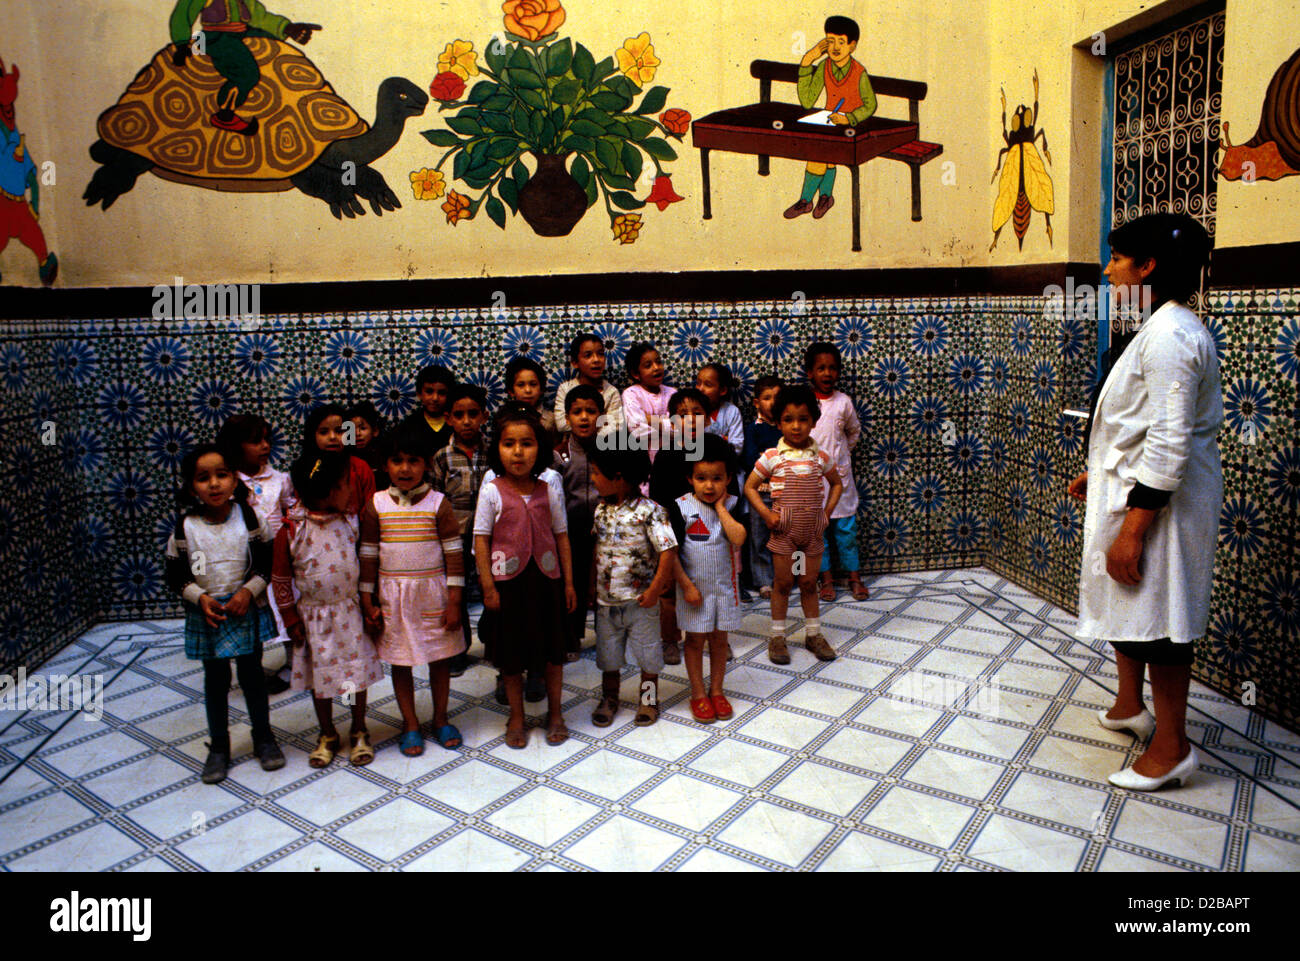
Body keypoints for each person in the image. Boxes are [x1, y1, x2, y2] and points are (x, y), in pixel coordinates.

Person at [1068, 212, 1221, 792]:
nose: (1108, 270)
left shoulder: (1173, 337)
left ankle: (1172, 747)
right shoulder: (1160, 328)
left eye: (1117, 259)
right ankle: (1130, 704)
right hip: (1138, 490)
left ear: (1148, 267)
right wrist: (1099, 476)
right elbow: (1138, 424)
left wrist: (1134, 526)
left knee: (1162, 620)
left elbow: (1170, 440)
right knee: (1133, 602)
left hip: (1166, 506)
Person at [164, 444, 284, 784]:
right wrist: (199, 598)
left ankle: (264, 737)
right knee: (215, 681)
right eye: (204, 478)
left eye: (222, 475)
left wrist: (249, 592)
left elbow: (265, 564)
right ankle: (219, 747)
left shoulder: (250, 519)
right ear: (191, 487)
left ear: (235, 480)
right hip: (208, 611)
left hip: (245, 606)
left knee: (251, 677)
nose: (214, 484)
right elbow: (175, 576)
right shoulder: (184, 529)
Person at [474, 406, 577, 749]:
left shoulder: (550, 488)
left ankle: (556, 713)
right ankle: (516, 716)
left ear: (541, 449)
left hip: (546, 582)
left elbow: (561, 534)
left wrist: (568, 583)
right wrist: (488, 586)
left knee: (552, 652)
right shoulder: (491, 490)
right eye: (509, 444)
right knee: (511, 655)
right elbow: (481, 538)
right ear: (497, 449)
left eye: (527, 444)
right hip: (508, 586)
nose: (518, 452)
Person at [359, 422, 465, 756]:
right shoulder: (375, 504)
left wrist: (454, 601)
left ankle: (441, 717)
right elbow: (368, 555)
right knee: (401, 662)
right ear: (385, 465)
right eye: (397, 461)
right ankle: (410, 723)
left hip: (433, 595)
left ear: (426, 465)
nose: (405, 469)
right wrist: (367, 600)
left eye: (414, 461)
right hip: (393, 598)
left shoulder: (438, 503)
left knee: (440, 659)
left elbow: (454, 554)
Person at [273, 451, 383, 767]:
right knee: (319, 677)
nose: (352, 490)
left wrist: (369, 603)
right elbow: (280, 579)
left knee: (355, 673)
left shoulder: (351, 522)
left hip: (350, 613)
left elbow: (366, 563)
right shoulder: (292, 529)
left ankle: (359, 729)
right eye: (347, 484)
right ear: (331, 490)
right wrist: (290, 617)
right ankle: (327, 733)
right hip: (313, 617)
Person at [745, 385, 842, 664]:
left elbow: (836, 484)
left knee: (809, 582)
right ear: (778, 422)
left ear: (813, 421)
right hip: (784, 534)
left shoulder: (819, 458)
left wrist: (826, 513)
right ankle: (777, 637)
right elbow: (750, 488)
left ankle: (813, 634)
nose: (796, 426)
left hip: (810, 534)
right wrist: (766, 515)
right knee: (784, 583)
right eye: (788, 420)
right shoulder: (772, 457)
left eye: (802, 419)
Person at [588, 444, 677, 727]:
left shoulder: (652, 511)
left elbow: (667, 551)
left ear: (618, 477)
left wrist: (655, 591)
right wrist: (593, 584)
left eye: (596, 473)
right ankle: (609, 699)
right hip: (606, 602)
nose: (592, 478)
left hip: (641, 602)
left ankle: (649, 700)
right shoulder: (600, 510)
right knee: (608, 656)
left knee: (649, 656)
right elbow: (596, 548)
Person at [218, 413, 298, 692]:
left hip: (278, 559)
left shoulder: (280, 479)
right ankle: (247, 666)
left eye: (266, 440)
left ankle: (293, 665)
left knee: (286, 609)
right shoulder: (227, 483)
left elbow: (291, 509)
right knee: (249, 613)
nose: (264, 446)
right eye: (255, 441)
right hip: (245, 562)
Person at [671, 435, 746, 723]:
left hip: (724, 590)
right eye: (701, 478)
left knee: (719, 640)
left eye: (717, 478)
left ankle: (717, 690)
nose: (710, 485)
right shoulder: (681, 507)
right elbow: (672, 553)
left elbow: (738, 538)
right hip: (693, 591)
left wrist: (722, 509)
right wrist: (686, 586)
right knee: (694, 641)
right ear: (690, 478)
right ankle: (698, 693)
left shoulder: (732, 505)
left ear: (728, 478)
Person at [168, 1, 318, 135]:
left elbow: (259, 16)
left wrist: (287, 28)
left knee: (271, 42)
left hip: (242, 32)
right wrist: (181, 43)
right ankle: (224, 115)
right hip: (214, 37)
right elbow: (182, 15)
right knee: (245, 73)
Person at [785, 15, 876, 219]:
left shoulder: (859, 72)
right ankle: (825, 197)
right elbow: (807, 101)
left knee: (818, 155)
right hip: (829, 122)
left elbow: (871, 105)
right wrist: (808, 61)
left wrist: (849, 117)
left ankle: (806, 201)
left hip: (853, 125)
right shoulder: (825, 66)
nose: (835, 47)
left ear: (852, 46)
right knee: (824, 156)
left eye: (841, 42)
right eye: (830, 41)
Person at [429, 382, 490, 678]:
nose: (467, 421)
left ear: (484, 416)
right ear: (449, 418)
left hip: (490, 536)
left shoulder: (494, 450)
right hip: (456, 535)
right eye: (459, 415)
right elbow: (436, 499)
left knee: (492, 586)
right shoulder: (442, 456)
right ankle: (459, 649)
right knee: (458, 591)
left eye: (473, 414)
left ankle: (494, 643)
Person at [647, 388, 710, 666]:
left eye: (698, 413)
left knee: (705, 588)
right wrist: (663, 536)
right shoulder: (665, 456)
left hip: (707, 533)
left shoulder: (715, 450)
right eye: (684, 415)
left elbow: (727, 490)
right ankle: (670, 639)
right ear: (672, 422)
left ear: (708, 419)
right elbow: (657, 501)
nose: (692, 420)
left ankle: (707, 636)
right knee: (669, 591)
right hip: (673, 530)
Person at [805, 342, 869, 601]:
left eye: (832, 368)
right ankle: (826, 579)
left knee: (846, 531)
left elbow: (853, 432)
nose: (827, 373)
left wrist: (842, 455)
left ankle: (854, 577)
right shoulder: (806, 402)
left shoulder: (844, 402)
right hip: (812, 481)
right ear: (810, 373)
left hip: (840, 480)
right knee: (819, 532)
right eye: (821, 368)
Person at [553, 384, 606, 661]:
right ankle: (571, 637)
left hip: (604, 530)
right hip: (569, 530)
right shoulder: (559, 454)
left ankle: (607, 636)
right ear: (567, 417)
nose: (584, 417)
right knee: (570, 582)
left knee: (602, 583)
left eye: (591, 411)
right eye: (577, 412)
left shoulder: (610, 449)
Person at [742, 376, 784, 599]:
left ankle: (794, 575)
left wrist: (767, 458)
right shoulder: (753, 430)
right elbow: (750, 459)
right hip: (761, 493)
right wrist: (774, 460)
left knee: (790, 537)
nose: (773, 402)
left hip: (788, 492)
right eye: (767, 398)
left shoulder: (787, 426)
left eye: (777, 397)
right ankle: (763, 581)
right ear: (757, 403)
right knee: (760, 538)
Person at [303, 403, 375, 516]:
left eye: (339, 431)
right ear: (313, 436)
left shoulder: (360, 468)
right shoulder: (306, 467)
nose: (332, 437)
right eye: (323, 432)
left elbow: (369, 510)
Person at [554, 333, 624, 436]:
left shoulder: (611, 392)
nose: (596, 360)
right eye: (588, 355)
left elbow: (616, 426)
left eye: (600, 354)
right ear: (575, 363)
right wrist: (599, 423)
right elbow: (561, 424)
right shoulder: (565, 389)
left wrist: (586, 430)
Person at [622, 342, 677, 466]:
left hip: (671, 460)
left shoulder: (672, 393)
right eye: (648, 365)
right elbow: (637, 431)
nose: (656, 367)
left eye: (658, 362)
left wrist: (649, 420)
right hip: (643, 461)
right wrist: (668, 424)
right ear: (636, 374)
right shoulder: (631, 394)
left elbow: (680, 430)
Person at [399, 365, 456, 463]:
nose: (435, 398)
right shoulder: (409, 425)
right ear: (419, 393)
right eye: (429, 392)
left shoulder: (456, 423)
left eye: (442, 393)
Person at [695, 362, 745, 456]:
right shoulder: (690, 410)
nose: (700, 389)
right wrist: (723, 440)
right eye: (698, 383)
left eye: (708, 385)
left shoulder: (731, 412)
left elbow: (737, 447)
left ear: (722, 390)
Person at [505, 356, 556, 442]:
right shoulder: (504, 419)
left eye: (533, 384)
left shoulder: (550, 420)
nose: (528, 390)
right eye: (521, 385)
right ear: (511, 391)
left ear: (541, 389)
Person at [345, 401, 389, 491]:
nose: (357, 434)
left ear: (375, 431)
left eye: (363, 428)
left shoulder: (383, 454)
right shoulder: (346, 456)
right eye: (352, 429)